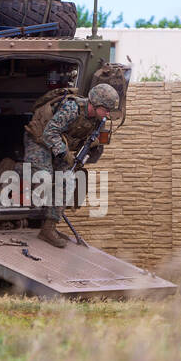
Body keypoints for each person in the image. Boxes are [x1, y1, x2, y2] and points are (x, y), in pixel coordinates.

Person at [23, 83, 119, 247]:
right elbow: (50, 133)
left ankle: (48, 228)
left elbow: (95, 144)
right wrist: (66, 155)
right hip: (39, 139)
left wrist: (85, 156)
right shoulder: (72, 108)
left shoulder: (98, 120)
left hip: (60, 145)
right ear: (95, 104)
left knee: (67, 182)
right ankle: (16, 170)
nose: (108, 114)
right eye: (106, 109)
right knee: (44, 176)